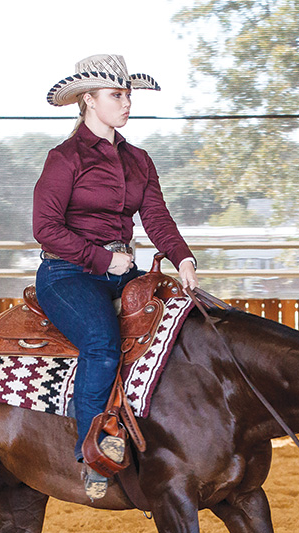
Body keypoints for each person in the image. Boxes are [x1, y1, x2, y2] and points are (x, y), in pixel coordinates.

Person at [33, 53, 199, 501]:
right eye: (115, 95)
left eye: (128, 94)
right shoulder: (64, 158)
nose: (126, 103)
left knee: (183, 321)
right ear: (88, 100)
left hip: (122, 270)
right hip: (67, 273)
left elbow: (158, 219)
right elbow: (45, 228)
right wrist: (103, 262)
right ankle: (93, 454)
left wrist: (182, 258)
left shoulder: (139, 160)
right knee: (102, 341)